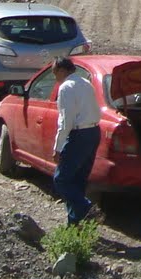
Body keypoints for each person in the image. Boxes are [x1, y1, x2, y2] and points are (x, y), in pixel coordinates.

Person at [51, 56, 100, 225]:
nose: (54, 76)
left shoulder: (66, 87)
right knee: (78, 179)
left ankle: (87, 209)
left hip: (79, 134)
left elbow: (66, 121)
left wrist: (57, 148)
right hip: (93, 132)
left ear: (62, 70)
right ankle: (75, 224)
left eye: (54, 71)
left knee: (62, 179)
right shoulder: (86, 83)